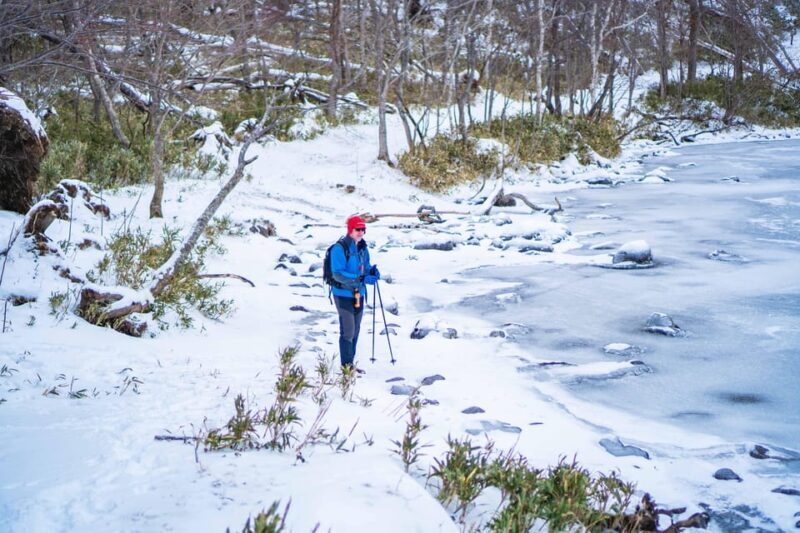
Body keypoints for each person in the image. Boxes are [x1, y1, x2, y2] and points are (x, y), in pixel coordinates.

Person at [330, 215, 381, 373]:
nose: (361, 232)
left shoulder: (362, 248)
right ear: (350, 230)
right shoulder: (339, 249)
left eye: (363, 229)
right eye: (357, 229)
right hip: (343, 293)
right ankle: (346, 367)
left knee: (356, 329)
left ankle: (350, 363)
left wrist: (371, 271)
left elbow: (365, 267)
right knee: (349, 330)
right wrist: (360, 278)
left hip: (359, 293)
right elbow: (337, 274)